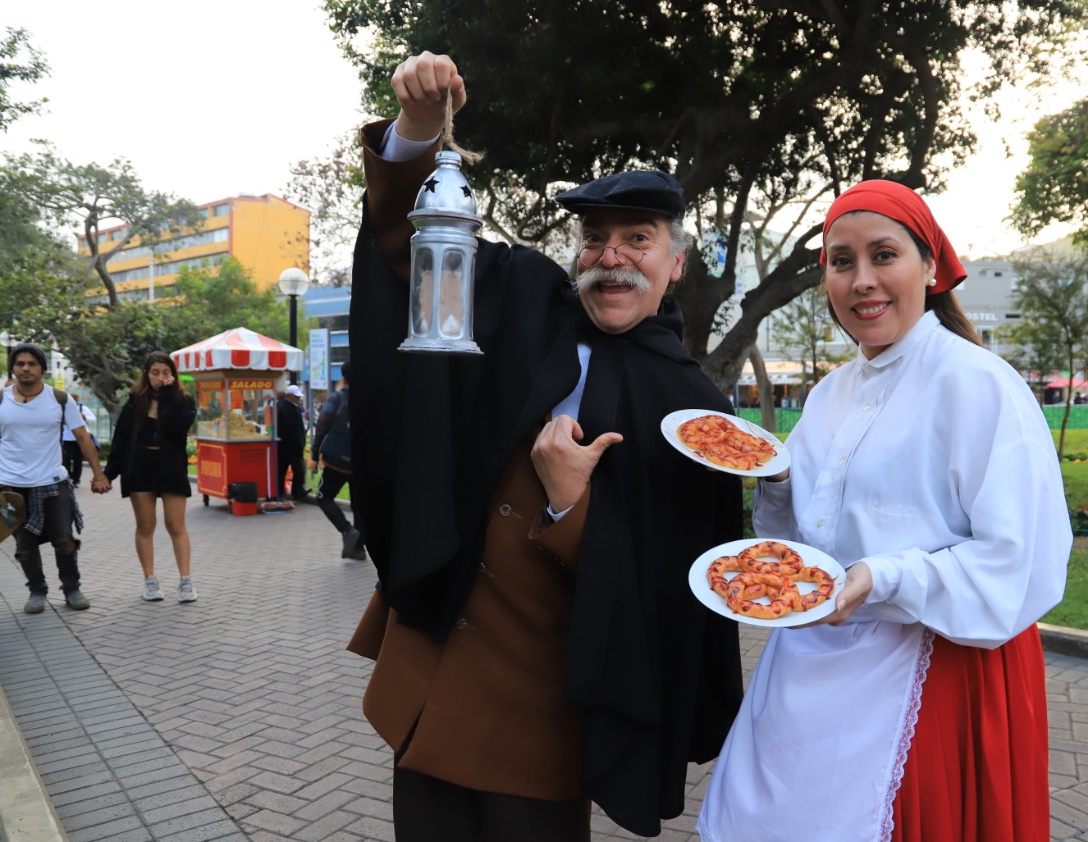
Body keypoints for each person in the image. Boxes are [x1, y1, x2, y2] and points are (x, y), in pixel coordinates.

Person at [343, 51, 744, 841]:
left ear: (677, 261)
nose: (613, 257)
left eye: (639, 238)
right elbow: (414, 248)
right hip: (433, 660)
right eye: (596, 238)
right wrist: (419, 129)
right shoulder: (521, 298)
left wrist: (569, 501)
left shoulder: (697, 409)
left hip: (542, 712)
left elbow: (674, 571)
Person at [698, 180, 1073, 841]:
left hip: (936, 673)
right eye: (842, 262)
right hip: (812, 668)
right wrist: (778, 480)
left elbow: (1022, 560)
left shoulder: (979, 383)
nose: (862, 279)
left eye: (883, 255)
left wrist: (888, 575)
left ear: (930, 266)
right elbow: (801, 545)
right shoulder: (829, 393)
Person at [0, 344, 110, 613]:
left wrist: (98, 475)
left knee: (65, 539)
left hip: (52, 482)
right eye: (20, 364)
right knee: (24, 545)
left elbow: (83, 436)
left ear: (42, 369)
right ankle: (37, 592)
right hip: (11, 486)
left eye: (32, 364)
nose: (26, 368)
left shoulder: (60, 399)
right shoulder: (1, 399)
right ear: (13, 368)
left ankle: (72, 589)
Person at [104, 352, 198, 603]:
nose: (160, 377)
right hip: (140, 466)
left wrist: (166, 398)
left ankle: (185, 582)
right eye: (155, 372)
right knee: (146, 525)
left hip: (170, 466)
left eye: (165, 372)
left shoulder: (183, 401)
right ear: (146, 375)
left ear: (173, 375)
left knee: (175, 524)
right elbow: (121, 439)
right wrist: (107, 475)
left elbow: (178, 432)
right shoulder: (136, 401)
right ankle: (150, 581)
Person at [310, 363, 363, 559]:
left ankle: (347, 530)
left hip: (337, 461)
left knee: (324, 497)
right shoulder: (370, 400)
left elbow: (322, 426)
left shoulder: (338, 397)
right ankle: (358, 549)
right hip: (361, 463)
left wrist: (314, 455)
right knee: (359, 505)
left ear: (344, 378)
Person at [275, 384, 308, 502]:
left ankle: (279, 491)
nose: (298, 399)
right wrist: (300, 443)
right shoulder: (286, 408)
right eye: (296, 397)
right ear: (289, 396)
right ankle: (297, 491)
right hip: (291, 446)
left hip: (285, 445)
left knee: (282, 470)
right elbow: (293, 429)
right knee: (298, 470)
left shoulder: (285, 406)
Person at [61, 393, 97, 486]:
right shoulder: (62, 408)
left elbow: (94, 419)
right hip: (66, 439)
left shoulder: (82, 408)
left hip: (79, 439)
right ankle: (68, 477)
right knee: (66, 459)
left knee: (78, 460)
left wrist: (85, 417)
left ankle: (76, 479)